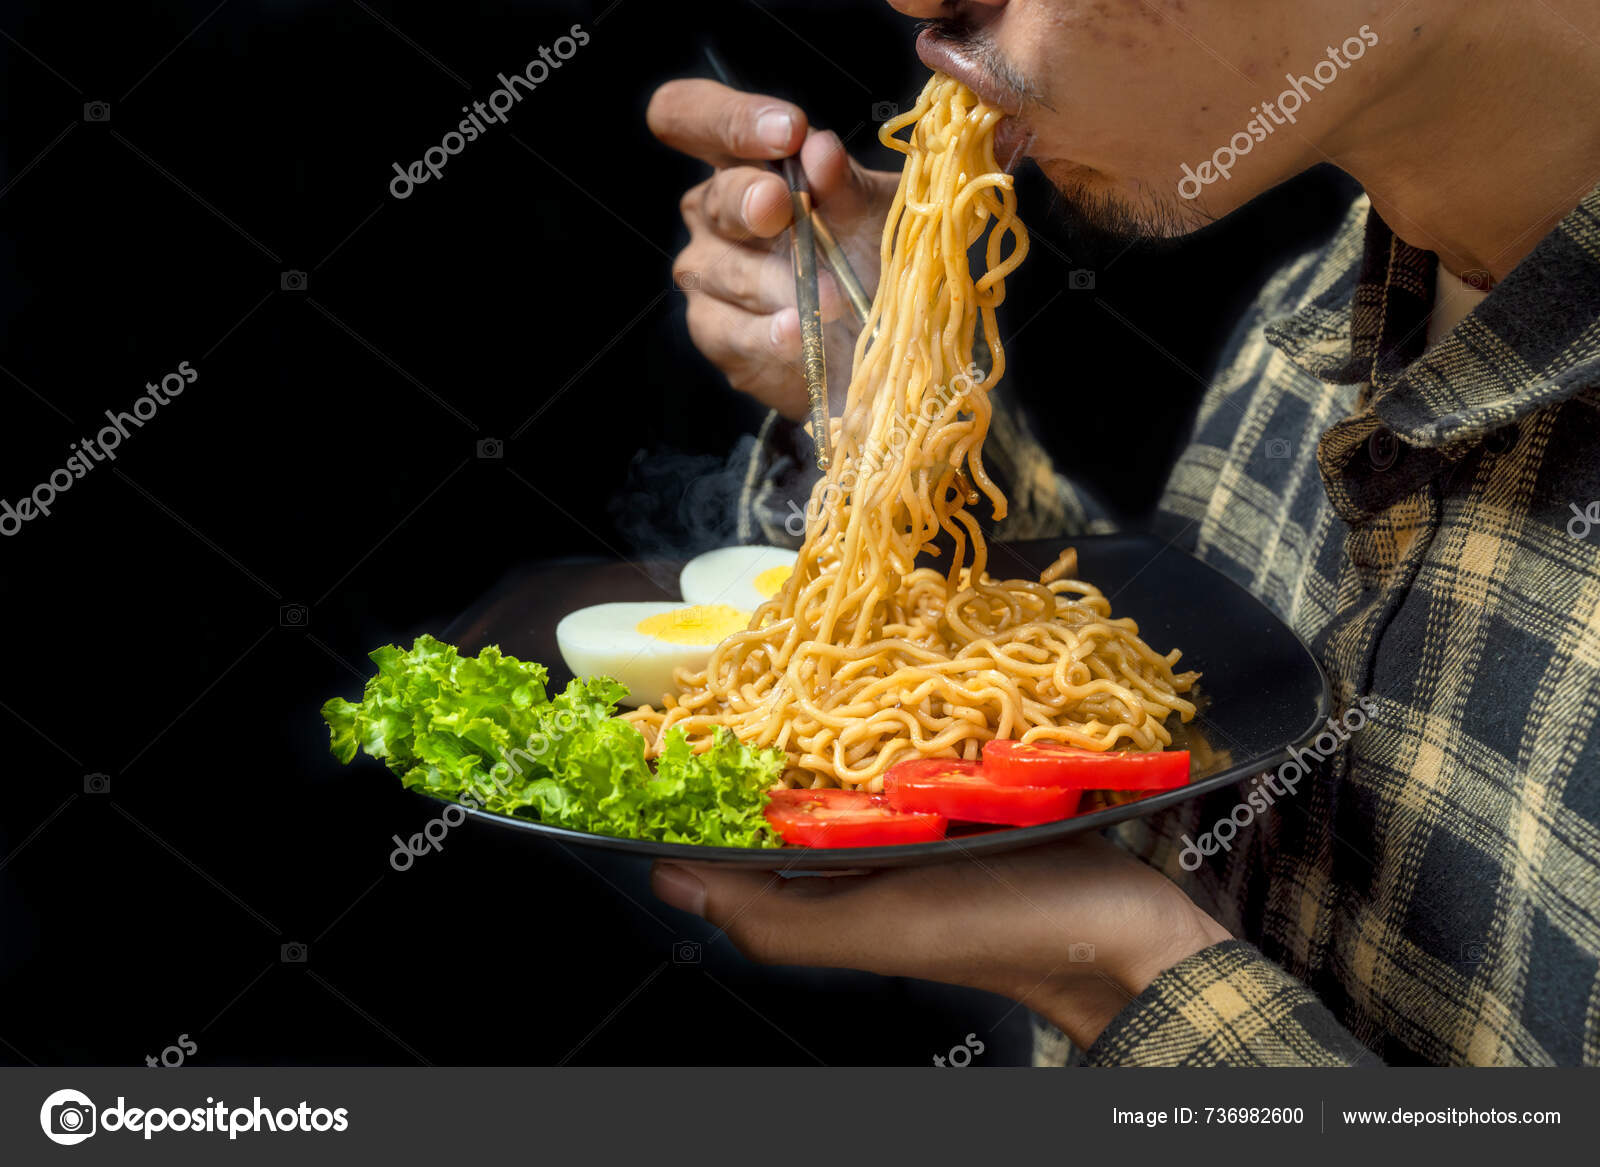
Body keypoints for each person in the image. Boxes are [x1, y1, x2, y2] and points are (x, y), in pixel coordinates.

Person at [643, 0, 1600, 1066]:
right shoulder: (1337, 288)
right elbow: (1147, 697)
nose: (915, 2)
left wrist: (1119, 978)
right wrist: (899, 409)